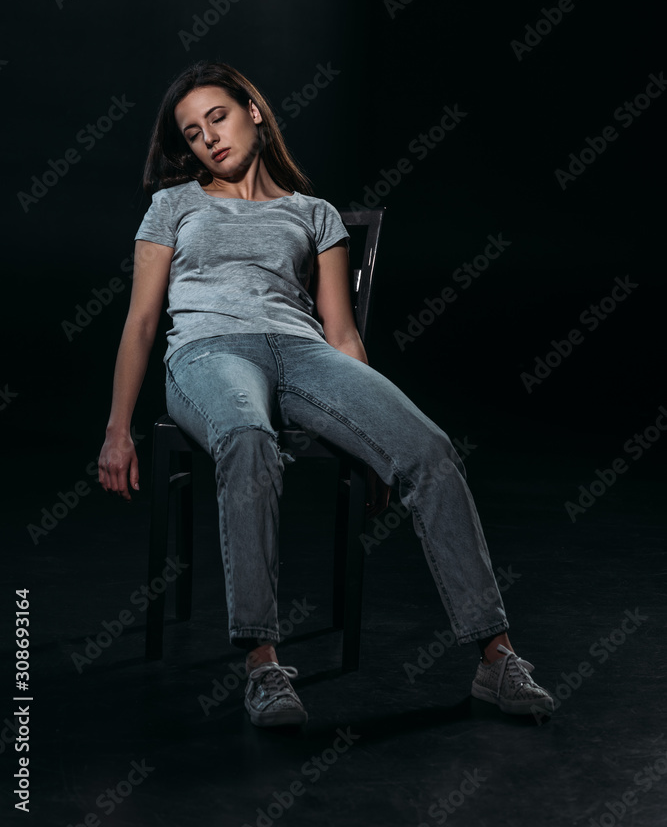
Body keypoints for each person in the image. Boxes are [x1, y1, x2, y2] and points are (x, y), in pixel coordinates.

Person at [98, 60, 555, 728]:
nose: (209, 139)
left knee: (425, 447)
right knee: (247, 438)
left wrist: (369, 435)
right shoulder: (173, 205)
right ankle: (263, 666)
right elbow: (141, 321)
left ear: (252, 110)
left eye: (217, 117)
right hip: (208, 352)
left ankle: (496, 658)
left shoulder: (313, 213)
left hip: (304, 351)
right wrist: (117, 428)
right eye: (193, 133)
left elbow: (339, 331)